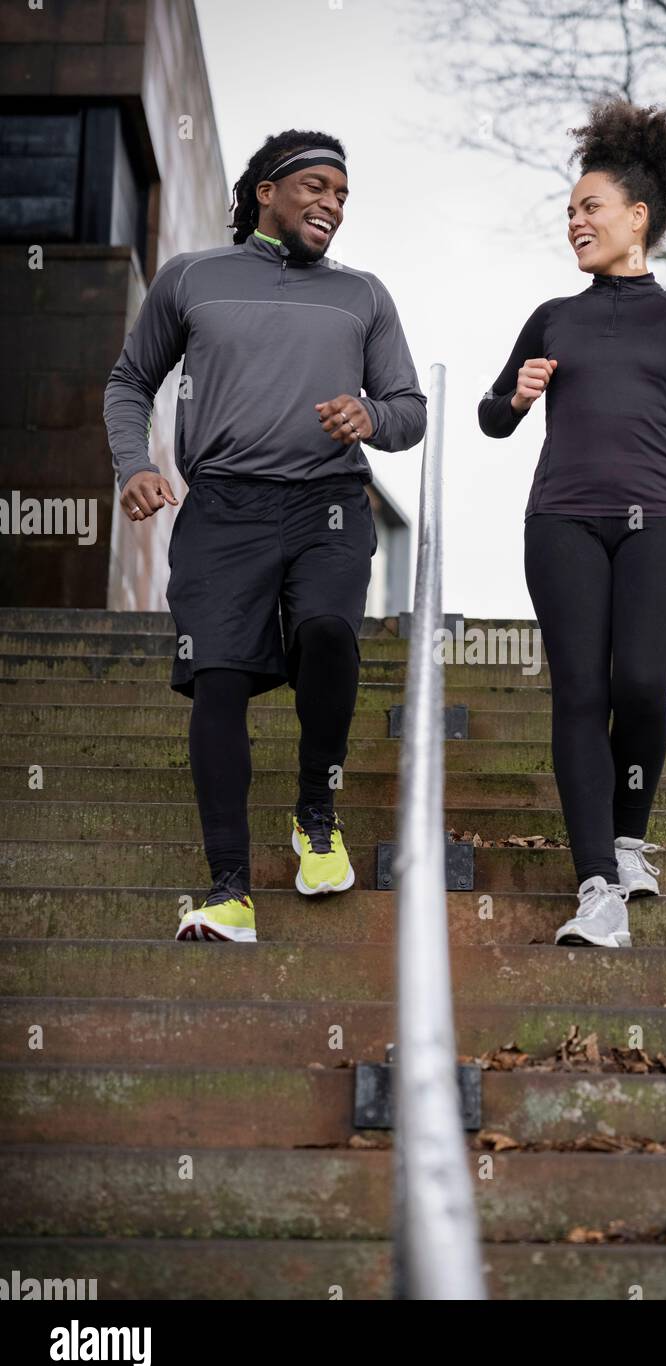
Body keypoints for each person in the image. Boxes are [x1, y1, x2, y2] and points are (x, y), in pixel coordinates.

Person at [103, 129, 426, 943]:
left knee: (326, 632)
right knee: (215, 679)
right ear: (265, 193)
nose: (331, 205)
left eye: (343, 195)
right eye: (316, 187)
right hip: (221, 509)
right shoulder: (192, 279)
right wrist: (132, 465)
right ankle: (228, 891)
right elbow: (130, 380)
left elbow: (409, 409)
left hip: (327, 504)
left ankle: (316, 814)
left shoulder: (364, 295)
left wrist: (371, 417)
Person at [478, 98, 666, 948]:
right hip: (561, 518)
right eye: (568, 212)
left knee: (640, 682)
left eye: (588, 208)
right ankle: (596, 884)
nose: (574, 222)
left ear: (638, 218)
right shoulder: (552, 315)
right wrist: (514, 397)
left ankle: (629, 840)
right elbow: (492, 416)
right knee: (580, 692)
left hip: (658, 520)